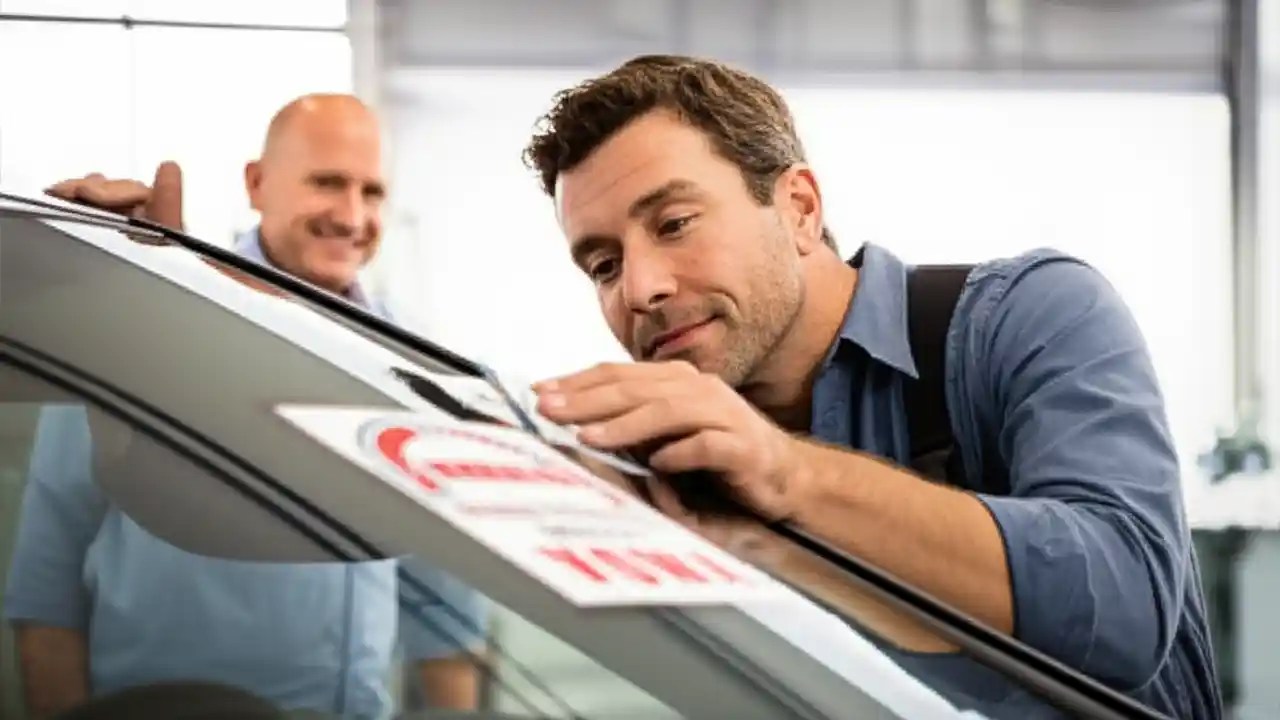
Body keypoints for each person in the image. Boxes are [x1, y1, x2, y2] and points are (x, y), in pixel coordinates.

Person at [519, 55, 1223, 719]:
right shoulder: (679, 468)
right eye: (604, 266)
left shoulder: (1028, 316)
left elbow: (1126, 610)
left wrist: (789, 477)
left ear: (798, 207)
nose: (641, 289)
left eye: (674, 224)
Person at [4, 93, 488, 719]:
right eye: (328, 183)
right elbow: (49, 570)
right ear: (257, 184)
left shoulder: (415, 360)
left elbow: (442, 594)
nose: (352, 215)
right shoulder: (152, 317)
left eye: (372, 192)